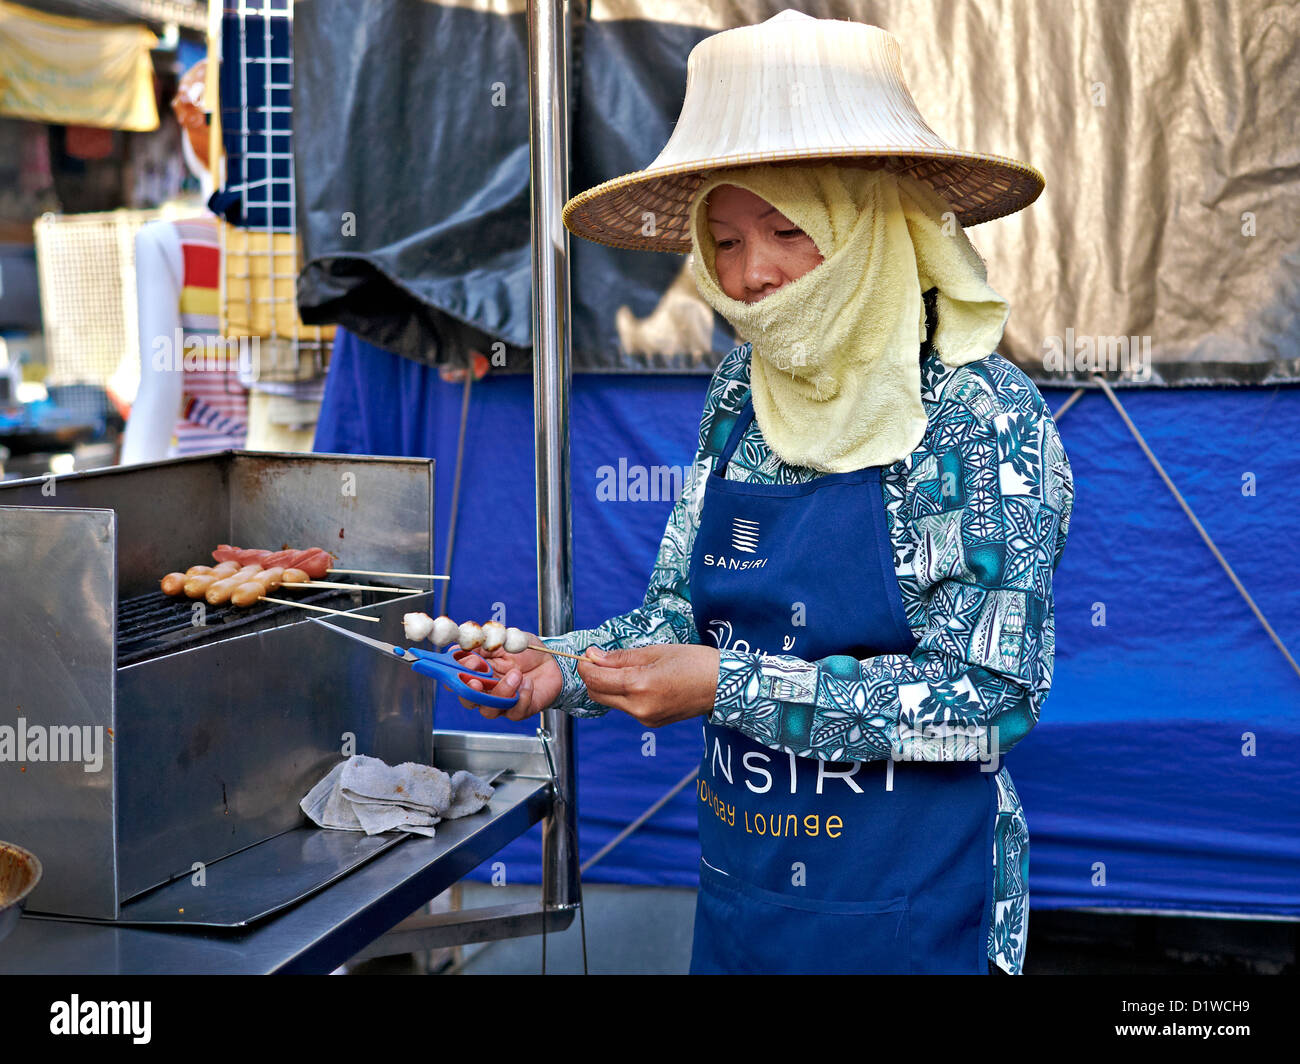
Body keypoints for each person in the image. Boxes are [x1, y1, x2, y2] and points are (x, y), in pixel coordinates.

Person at [450, 11, 1073, 975]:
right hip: (748, 894)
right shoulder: (739, 395)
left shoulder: (981, 416)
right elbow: (675, 613)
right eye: (726, 240)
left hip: (912, 906)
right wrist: (560, 669)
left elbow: (988, 702)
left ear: (872, 225)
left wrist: (728, 687)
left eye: (790, 230)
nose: (753, 275)